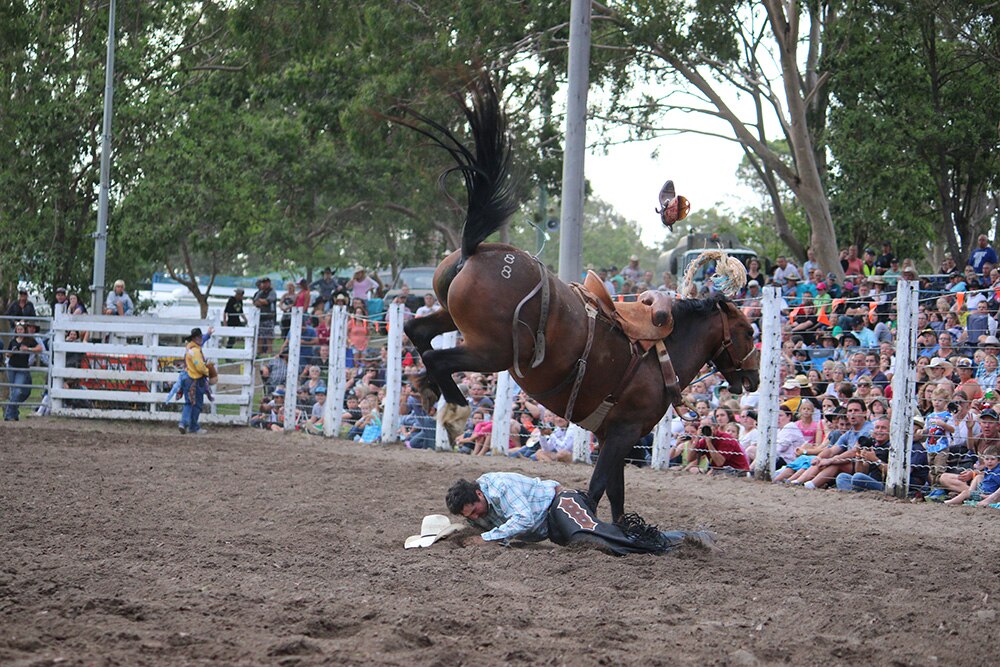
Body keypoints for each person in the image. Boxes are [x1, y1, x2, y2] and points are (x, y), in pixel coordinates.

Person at [445, 473, 714, 555]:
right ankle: (679, 540)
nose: (475, 517)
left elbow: (524, 519)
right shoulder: (478, 507)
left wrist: (489, 537)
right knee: (601, 544)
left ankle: (684, 541)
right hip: (552, 527)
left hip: (560, 503)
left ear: (479, 494)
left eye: (475, 510)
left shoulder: (500, 487)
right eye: (469, 517)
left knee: (599, 540)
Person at [4, 320, 42, 421]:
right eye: (18, 329)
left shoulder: (29, 340)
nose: (20, 331)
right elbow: (7, 354)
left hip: (22, 368)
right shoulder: (13, 341)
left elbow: (39, 348)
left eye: (21, 329)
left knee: (17, 391)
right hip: (12, 367)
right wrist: (11, 353)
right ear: (16, 330)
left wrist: (28, 349)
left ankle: (8, 413)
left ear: (24, 330)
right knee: (14, 391)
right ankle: (13, 413)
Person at [178, 327, 211, 435]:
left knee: (188, 402)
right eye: (199, 337)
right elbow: (200, 367)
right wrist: (208, 372)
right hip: (195, 379)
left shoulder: (190, 348)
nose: (201, 338)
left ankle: (183, 423)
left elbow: (202, 340)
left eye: (201, 337)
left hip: (187, 378)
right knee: (197, 404)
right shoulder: (196, 351)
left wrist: (208, 334)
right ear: (195, 338)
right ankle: (193, 426)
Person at [253, 277, 277, 355]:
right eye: (263, 283)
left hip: (269, 317)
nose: (265, 284)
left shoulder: (272, 292)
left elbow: (268, 301)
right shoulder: (260, 292)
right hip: (260, 317)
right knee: (259, 335)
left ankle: (269, 352)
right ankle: (259, 352)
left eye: (266, 283)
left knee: (269, 336)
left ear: (269, 283)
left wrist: (261, 301)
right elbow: (255, 301)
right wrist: (261, 301)